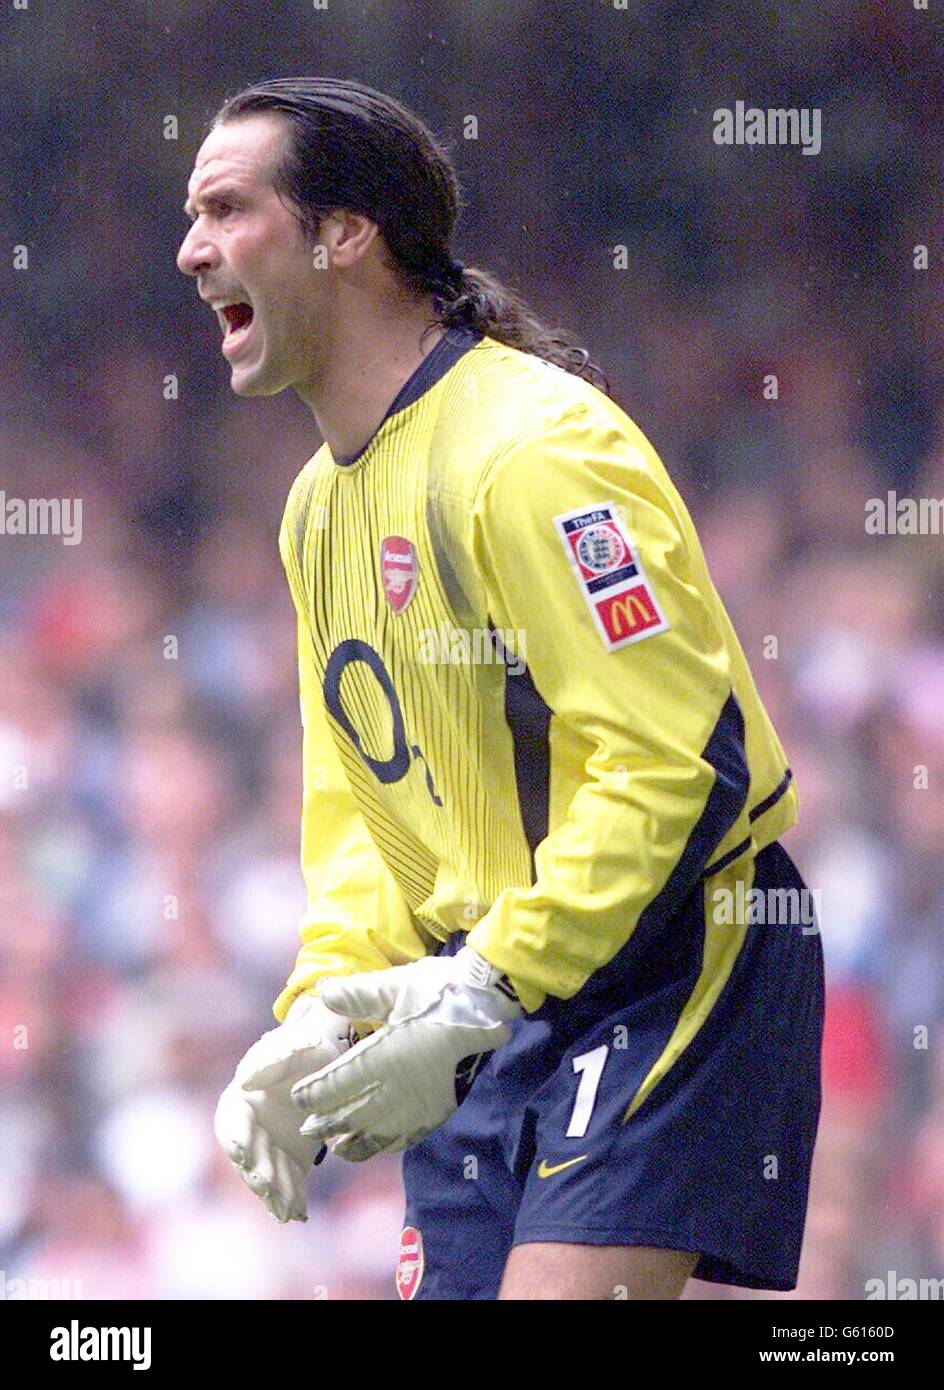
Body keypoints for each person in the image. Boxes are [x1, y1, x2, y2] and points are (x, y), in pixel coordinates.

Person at [177, 77, 824, 1301]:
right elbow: (374, 817)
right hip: (485, 994)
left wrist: (487, 982)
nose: (190, 249)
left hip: (665, 950)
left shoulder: (532, 451)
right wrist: (319, 1011)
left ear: (342, 233)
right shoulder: (316, 508)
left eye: (225, 208)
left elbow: (681, 768)